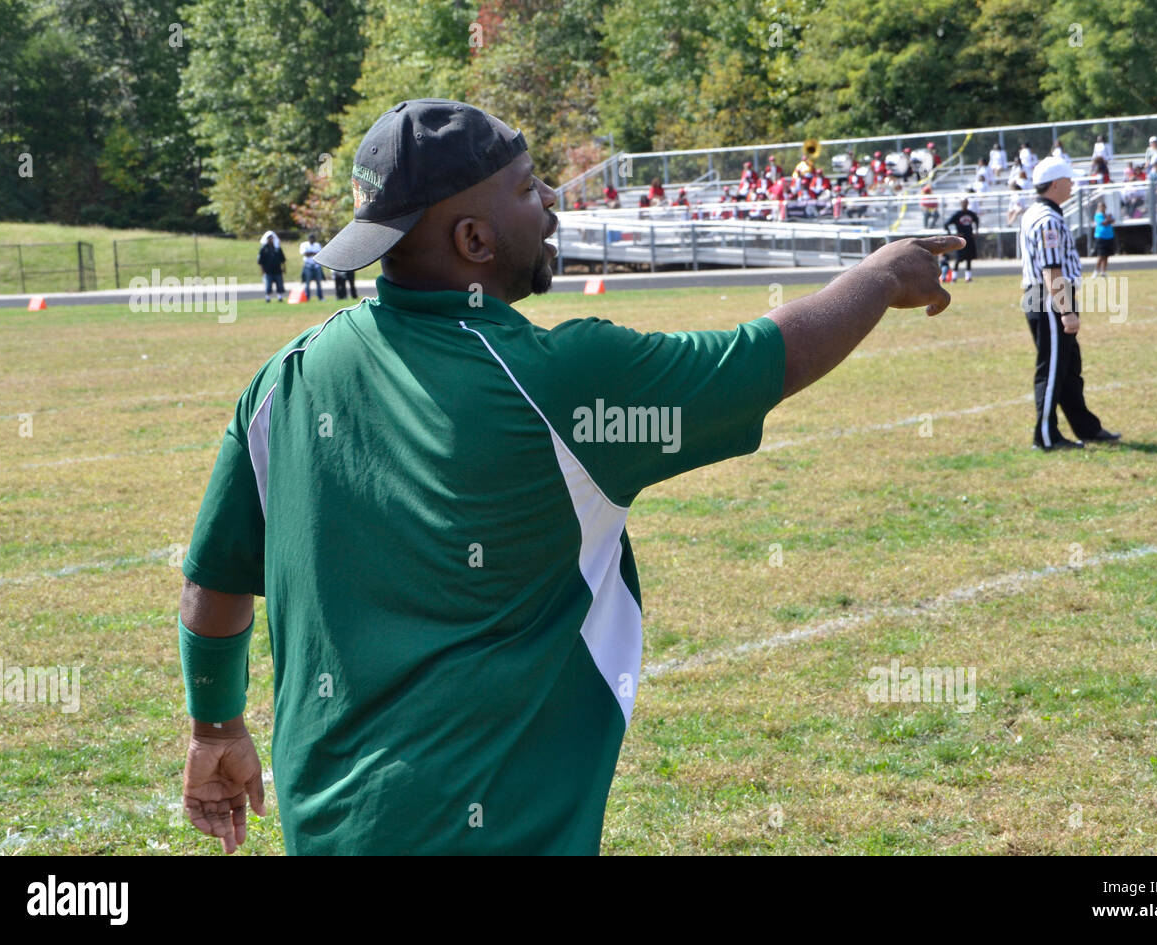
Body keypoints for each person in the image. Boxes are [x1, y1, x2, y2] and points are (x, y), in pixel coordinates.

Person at [176, 97, 963, 856]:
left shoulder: (282, 381)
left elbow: (213, 582)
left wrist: (215, 729)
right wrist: (885, 276)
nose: (551, 198)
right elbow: (769, 357)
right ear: (476, 240)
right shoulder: (561, 379)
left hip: (328, 830)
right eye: (527, 187)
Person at [1018, 156, 1120, 451]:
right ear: (1055, 184)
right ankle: (1046, 436)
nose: (1072, 185)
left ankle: (1086, 427)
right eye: (1068, 180)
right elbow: (1051, 268)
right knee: (1052, 369)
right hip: (1048, 296)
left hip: (1044, 294)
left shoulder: (1037, 212)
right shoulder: (1047, 219)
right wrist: (1067, 311)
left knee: (1068, 366)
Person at [943, 198, 979, 282]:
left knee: (969, 258)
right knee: (959, 259)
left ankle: (968, 277)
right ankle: (954, 277)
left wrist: (976, 231)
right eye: (963, 203)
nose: (965, 204)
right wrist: (952, 234)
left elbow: (976, 220)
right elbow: (946, 224)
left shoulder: (970, 213)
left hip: (970, 238)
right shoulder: (958, 214)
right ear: (961, 203)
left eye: (966, 203)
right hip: (961, 239)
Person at [257, 231, 285, 302]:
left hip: (277, 269)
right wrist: (262, 270)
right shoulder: (263, 249)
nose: (271, 239)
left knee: (279, 284)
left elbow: (282, 259)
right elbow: (261, 261)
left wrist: (284, 268)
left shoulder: (277, 248)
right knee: (268, 285)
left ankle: (279, 297)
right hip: (268, 270)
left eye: (272, 238)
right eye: (269, 238)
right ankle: (268, 298)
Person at [299, 233, 326, 301]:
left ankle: (320, 297)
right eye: (311, 238)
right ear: (309, 239)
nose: (312, 240)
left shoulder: (317, 245)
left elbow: (320, 254)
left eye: (313, 238)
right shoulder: (304, 244)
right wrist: (314, 253)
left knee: (319, 283)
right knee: (307, 283)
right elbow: (305, 254)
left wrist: (310, 253)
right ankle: (307, 297)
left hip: (317, 266)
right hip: (308, 266)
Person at [1092, 199, 1115, 275]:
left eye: (1103, 207)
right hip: (1101, 237)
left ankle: (1103, 271)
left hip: (1109, 236)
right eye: (1100, 207)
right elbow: (1104, 223)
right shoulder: (1098, 215)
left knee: (1107, 255)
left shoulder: (1106, 215)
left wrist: (1108, 219)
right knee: (1101, 255)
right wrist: (1108, 219)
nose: (1102, 208)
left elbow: (1113, 221)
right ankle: (1096, 271)